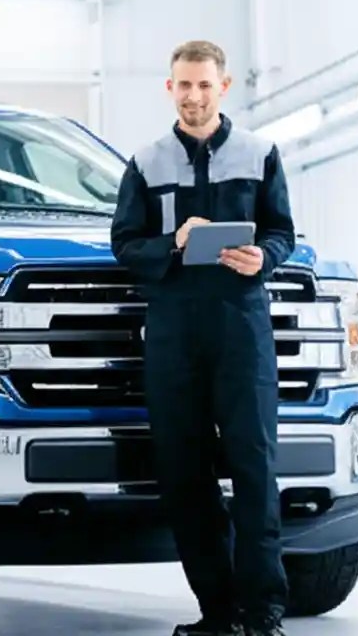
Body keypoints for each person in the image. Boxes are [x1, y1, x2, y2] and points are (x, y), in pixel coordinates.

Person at [110, 40, 296, 636]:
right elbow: (125, 244)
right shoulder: (145, 162)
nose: (192, 96)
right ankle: (218, 612)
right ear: (170, 88)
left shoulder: (260, 153)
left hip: (241, 324)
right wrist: (174, 245)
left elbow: (282, 232)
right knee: (184, 473)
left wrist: (261, 259)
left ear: (225, 86)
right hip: (173, 331)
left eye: (203, 86)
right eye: (182, 86)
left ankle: (263, 612)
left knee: (254, 467)